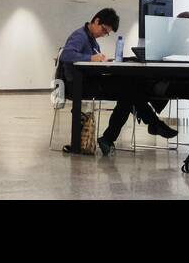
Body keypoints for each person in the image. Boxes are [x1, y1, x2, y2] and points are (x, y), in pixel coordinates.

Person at [58, 8, 176, 155]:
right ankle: (152, 124)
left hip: (91, 80)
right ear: (96, 21)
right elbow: (66, 54)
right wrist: (91, 58)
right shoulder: (80, 36)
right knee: (129, 90)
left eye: (107, 33)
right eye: (104, 30)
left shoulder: (92, 40)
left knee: (129, 90)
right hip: (79, 85)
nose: (104, 34)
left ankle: (117, 135)